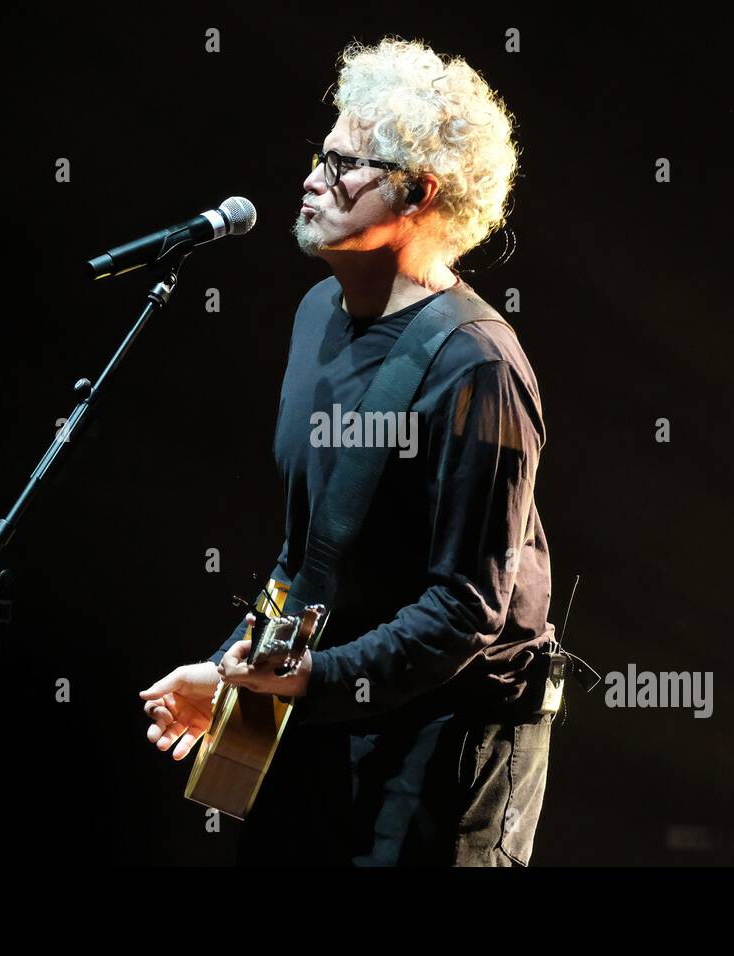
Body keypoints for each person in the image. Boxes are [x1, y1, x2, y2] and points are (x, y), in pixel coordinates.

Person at [139, 36, 555, 866]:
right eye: (318, 156)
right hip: (334, 702)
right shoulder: (317, 318)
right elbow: (310, 554)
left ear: (418, 193)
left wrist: (303, 681)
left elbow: (465, 609)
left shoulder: (479, 367)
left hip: (449, 736)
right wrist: (231, 677)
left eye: (343, 164)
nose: (311, 180)